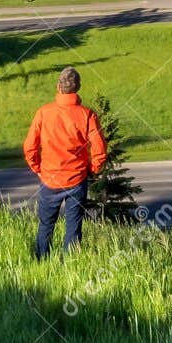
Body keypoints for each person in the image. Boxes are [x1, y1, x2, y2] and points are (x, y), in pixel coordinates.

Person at [22, 66, 108, 258]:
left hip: (50, 179)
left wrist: (38, 168)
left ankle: (41, 262)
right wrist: (92, 169)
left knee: (46, 225)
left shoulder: (44, 113)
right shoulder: (87, 115)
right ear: (78, 87)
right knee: (74, 227)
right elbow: (100, 149)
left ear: (58, 86)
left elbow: (29, 147)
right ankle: (71, 264)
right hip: (77, 179)